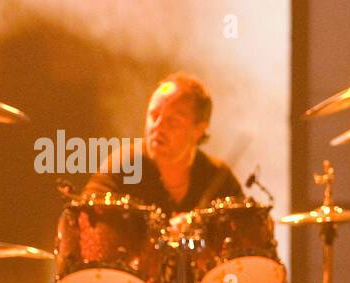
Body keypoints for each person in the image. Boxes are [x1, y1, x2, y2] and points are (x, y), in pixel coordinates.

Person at [83, 71, 242, 213]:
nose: (158, 126)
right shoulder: (123, 166)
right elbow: (84, 219)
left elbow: (251, 236)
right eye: (154, 115)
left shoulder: (219, 178)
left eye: (173, 121)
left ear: (199, 130)